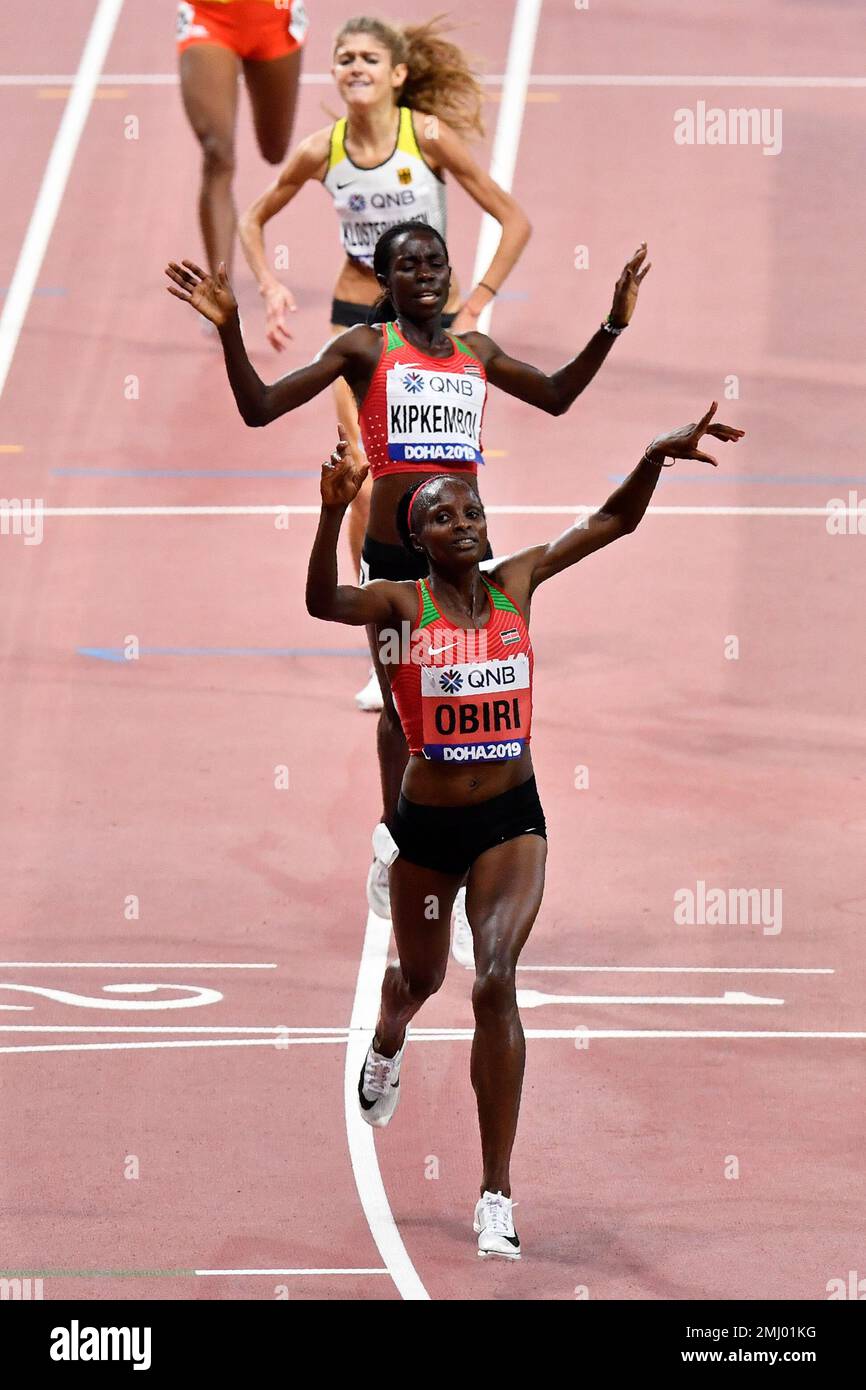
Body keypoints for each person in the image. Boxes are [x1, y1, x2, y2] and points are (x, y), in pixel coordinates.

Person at [305, 404, 745, 1258]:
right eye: (441, 514)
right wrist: (330, 512)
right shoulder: (401, 602)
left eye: (470, 509)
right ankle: (388, 1039)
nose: (462, 522)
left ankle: (496, 1193)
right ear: (418, 537)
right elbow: (324, 598)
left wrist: (653, 454)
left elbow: (611, 521)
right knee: (422, 981)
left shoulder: (520, 581)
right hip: (428, 828)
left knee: (494, 980)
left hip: (512, 819)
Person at [164, 224, 651, 936]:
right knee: (402, 714)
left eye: (434, 261)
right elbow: (259, 406)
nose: (423, 272)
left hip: (463, 559)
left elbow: (555, 395)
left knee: (470, 718)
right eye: (406, 264)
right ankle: (397, 838)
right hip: (396, 565)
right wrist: (232, 327)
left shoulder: (475, 353)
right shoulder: (364, 348)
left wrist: (612, 323)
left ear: (449, 275)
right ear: (385, 280)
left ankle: (472, 864)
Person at [237, 14, 531, 709]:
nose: (354, 67)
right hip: (360, 325)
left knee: (441, 477)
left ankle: (464, 617)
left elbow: (513, 217)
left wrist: (479, 299)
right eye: (344, 58)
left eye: (369, 56)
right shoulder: (321, 151)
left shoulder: (425, 137)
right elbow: (252, 218)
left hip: (433, 330)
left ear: (397, 74)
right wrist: (272, 285)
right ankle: (386, 646)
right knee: (364, 480)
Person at [176, 0, 309, 276]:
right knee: (217, 153)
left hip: (275, 17)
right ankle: (220, 290)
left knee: (274, 150)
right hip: (209, 17)